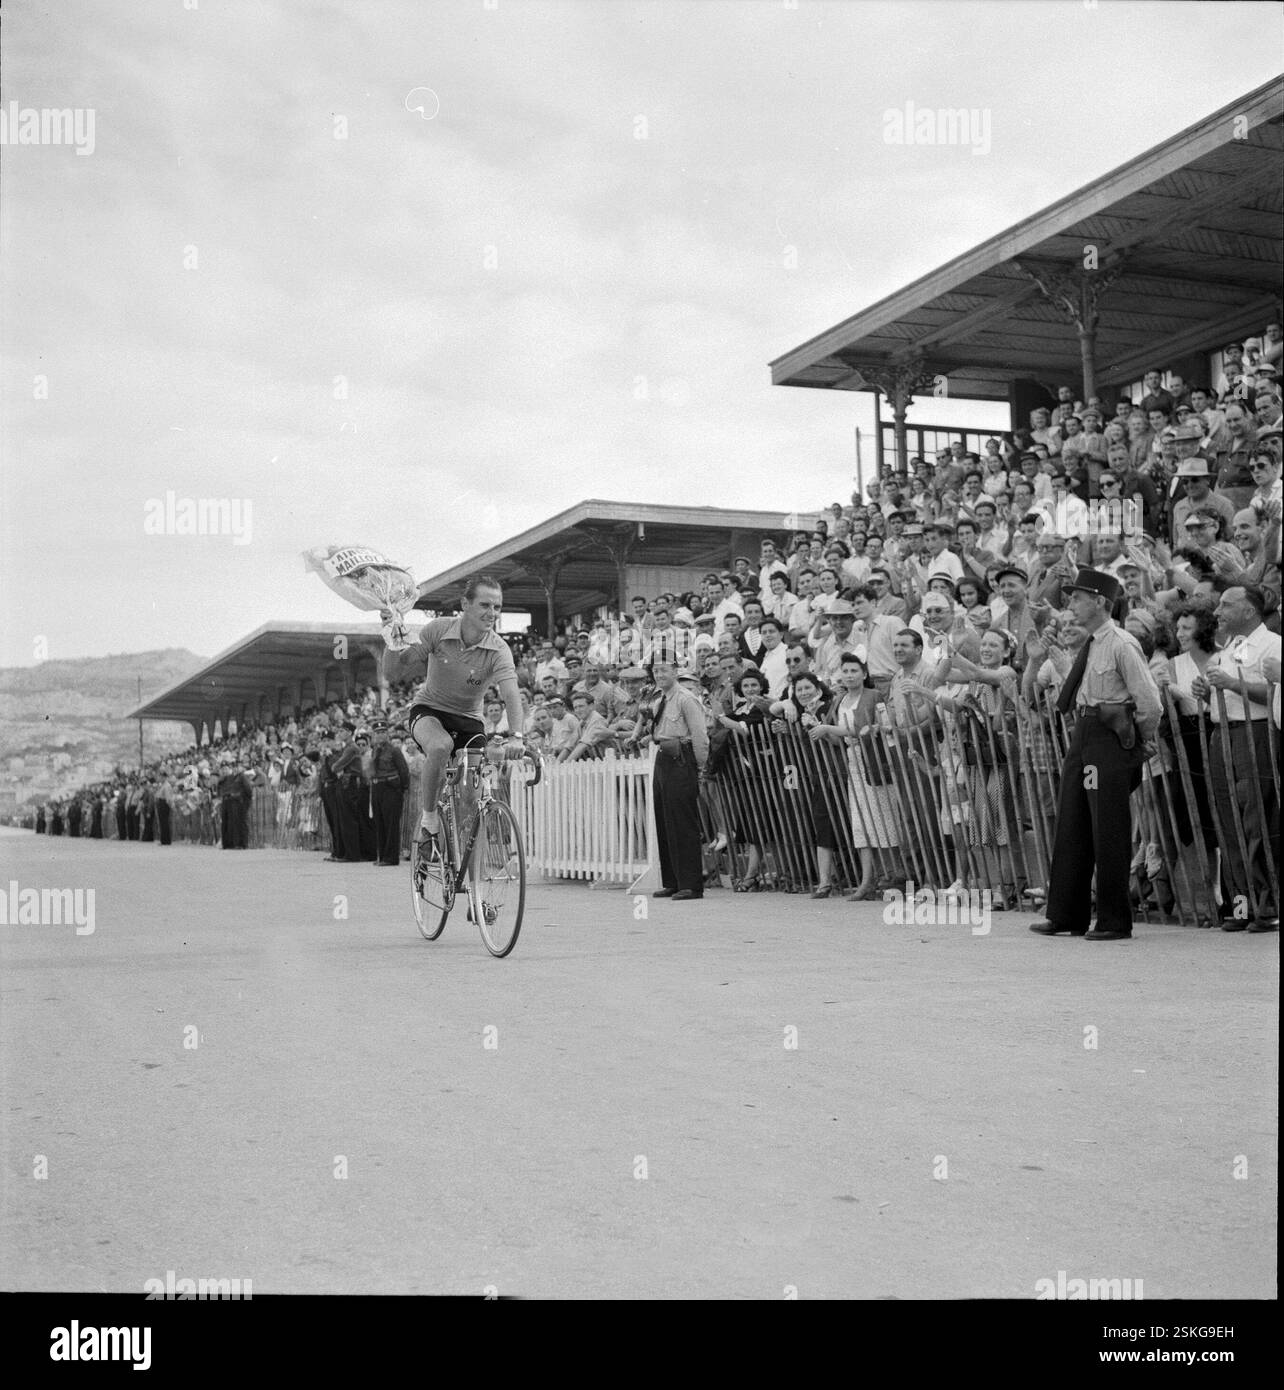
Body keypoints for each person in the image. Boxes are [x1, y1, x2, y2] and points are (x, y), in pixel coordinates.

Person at [1029, 568, 1162, 941]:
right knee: (1074, 820)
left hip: (1108, 737)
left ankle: (1113, 919)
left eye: (1077, 597)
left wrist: (1137, 745)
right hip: (1086, 734)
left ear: (1100, 601)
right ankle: (1066, 913)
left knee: (1108, 827)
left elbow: (1150, 703)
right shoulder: (1092, 642)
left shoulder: (1121, 643)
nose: (1070, 605)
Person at [390, 574, 526, 874]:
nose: (492, 613)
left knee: (471, 798)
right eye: (485, 605)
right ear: (465, 603)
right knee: (440, 746)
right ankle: (429, 821)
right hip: (429, 710)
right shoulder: (439, 629)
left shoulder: (499, 649)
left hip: (469, 720)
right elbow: (396, 671)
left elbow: (511, 694)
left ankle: (474, 879)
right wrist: (392, 640)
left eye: (498, 607)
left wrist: (517, 736)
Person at [1192, 584, 1280, 932]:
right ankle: (1241, 905)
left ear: (1250, 611)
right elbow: (1224, 690)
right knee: (1227, 820)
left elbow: (1273, 692)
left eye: (1227, 605)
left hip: (1254, 733)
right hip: (1222, 733)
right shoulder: (1230, 647)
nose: (1218, 612)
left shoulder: (1272, 645)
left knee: (1257, 818)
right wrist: (1207, 691)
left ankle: (1267, 905)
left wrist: (1229, 683)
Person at [649, 659, 710, 902]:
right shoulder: (660, 700)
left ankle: (691, 884)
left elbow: (700, 736)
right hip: (664, 756)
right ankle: (673, 881)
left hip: (682, 758)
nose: (659, 674)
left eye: (664, 669)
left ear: (675, 671)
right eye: (655, 670)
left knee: (683, 822)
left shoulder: (686, 698)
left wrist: (700, 765)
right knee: (665, 820)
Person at [368, 719, 410, 867]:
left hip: (391, 788)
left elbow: (404, 771)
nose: (380, 735)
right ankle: (382, 855)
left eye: (383, 732)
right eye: (377, 733)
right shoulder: (374, 750)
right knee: (379, 822)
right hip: (377, 788)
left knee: (391, 823)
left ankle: (391, 857)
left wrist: (402, 789)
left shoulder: (394, 750)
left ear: (387, 734)